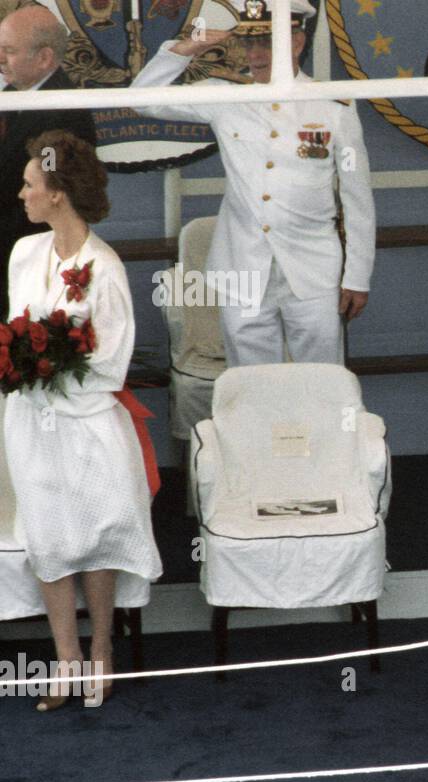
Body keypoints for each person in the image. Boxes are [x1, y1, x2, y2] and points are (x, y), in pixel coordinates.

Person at [5, 129, 162, 710]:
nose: (20, 194)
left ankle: (101, 652)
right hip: (29, 426)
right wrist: (26, 377)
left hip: (90, 425)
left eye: (28, 185)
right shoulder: (24, 254)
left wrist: (47, 379)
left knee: (95, 536)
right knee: (49, 537)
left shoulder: (105, 267)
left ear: (57, 195)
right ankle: (64, 659)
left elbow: (111, 364)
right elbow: (15, 335)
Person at [130, 0, 375, 366]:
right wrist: (185, 48)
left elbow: (358, 200)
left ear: (297, 42)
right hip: (242, 267)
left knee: (322, 378)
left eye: (267, 42)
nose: (256, 55)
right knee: (250, 382)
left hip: (313, 269)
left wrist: (357, 276)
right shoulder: (226, 95)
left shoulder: (332, 106)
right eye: (249, 43)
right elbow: (140, 100)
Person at [0, 2, 96, 317]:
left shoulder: (62, 114)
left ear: (44, 58)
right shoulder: (22, 95)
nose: (0, 59)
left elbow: (52, 186)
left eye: (9, 51)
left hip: (32, 252)